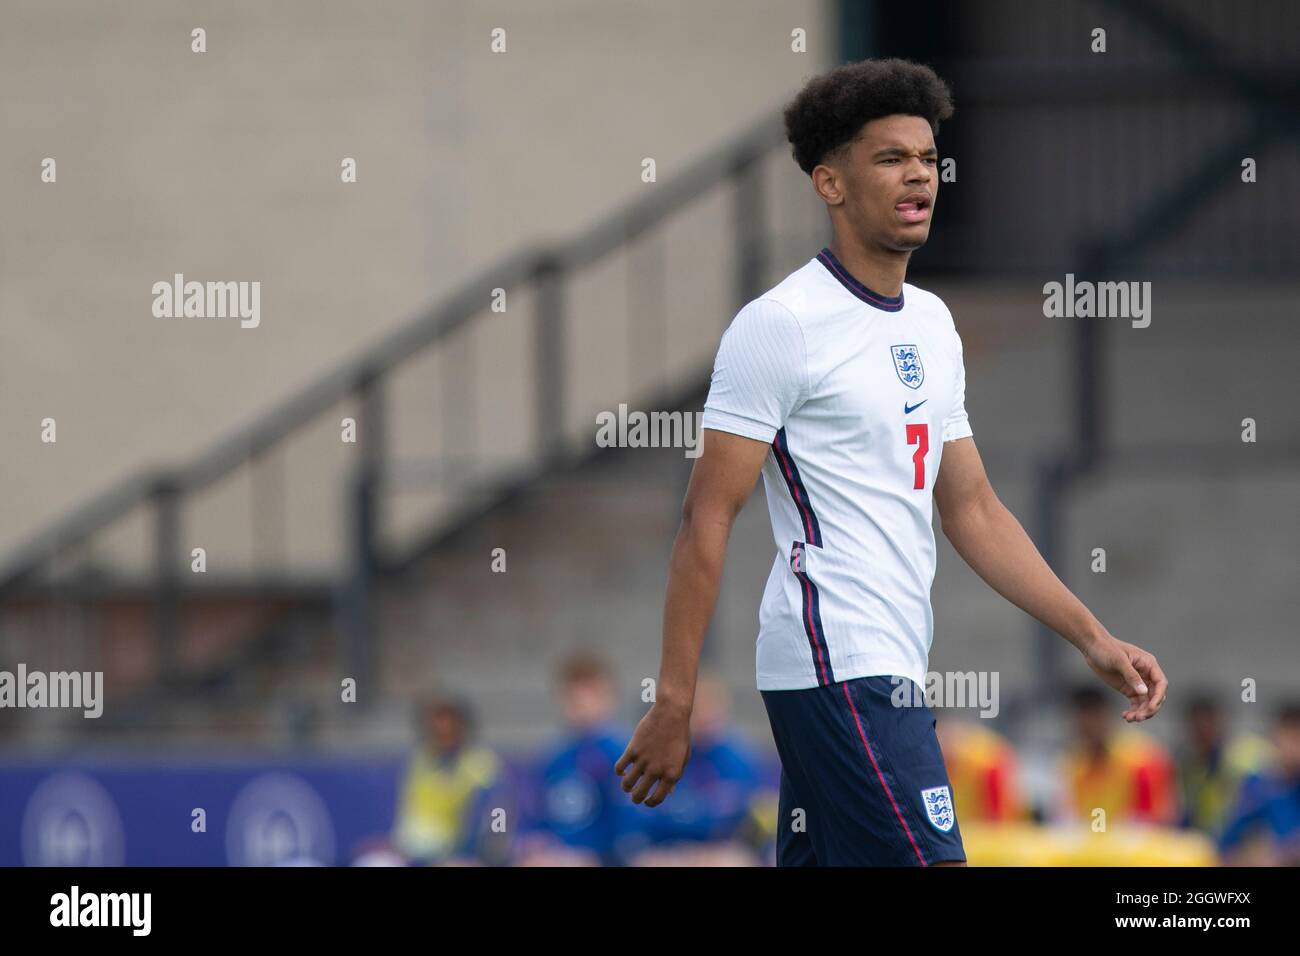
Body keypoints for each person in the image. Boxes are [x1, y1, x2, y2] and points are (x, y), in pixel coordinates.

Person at [614, 58, 1168, 867]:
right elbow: (707, 516)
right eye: (890, 158)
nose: (919, 175)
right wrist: (675, 700)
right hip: (838, 658)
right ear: (830, 184)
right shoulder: (783, 326)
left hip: (886, 662)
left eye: (927, 158)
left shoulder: (934, 325)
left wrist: (1092, 637)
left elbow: (972, 507)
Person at [518, 652, 651, 865]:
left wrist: (594, 853)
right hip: (559, 855)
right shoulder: (552, 757)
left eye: (589, 695)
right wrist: (536, 843)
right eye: (573, 697)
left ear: (608, 696)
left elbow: (631, 826)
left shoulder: (624, 753)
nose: (581, 703)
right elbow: (536, 817)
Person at [391, 696, 506, 865]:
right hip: (414, 852)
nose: (444, 738)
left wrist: (482, 849)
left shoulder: (480, 764)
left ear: (462, 729)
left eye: (449, 732)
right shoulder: (419, 762)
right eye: (438, 733)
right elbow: (409, 817)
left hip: (459, 852)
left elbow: (498, 812)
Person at [1059, 685, 1178, 827]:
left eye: (1093, 715)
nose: (1087, 724)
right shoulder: (1072, 765)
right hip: (1093, 844)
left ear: (1105, 715)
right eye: (1081, 716)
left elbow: (1158, 817)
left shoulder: (1143, 758)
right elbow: (1069, 818)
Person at [1176, 692, 1272, 836]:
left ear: (1221, 721)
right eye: (1196, 726)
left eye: (1207, 723)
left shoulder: (1245, 755)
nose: (1202, 731)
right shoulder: (1189, 766)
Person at [1218, 703, 1300, 866]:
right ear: (1275, 737)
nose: (1294, 747)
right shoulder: (1257, 786)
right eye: (1290, 737)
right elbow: (1227, 843)